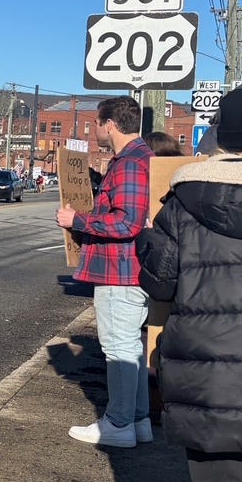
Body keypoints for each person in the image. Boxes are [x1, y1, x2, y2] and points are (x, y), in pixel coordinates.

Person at [135, 84, 242, 482]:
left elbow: (160, 284)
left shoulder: (184, 197)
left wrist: (150, 240)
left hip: (212, 376)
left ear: (220, 134)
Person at [56, 94, 154, 448]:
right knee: (131, 347)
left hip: (120, 270)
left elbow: (127, 222)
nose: (95, 129)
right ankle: (137, 420)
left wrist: (77, 220)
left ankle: (118, 424)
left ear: (110, 124)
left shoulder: (129, 164)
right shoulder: (141, 158)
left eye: (96, 123)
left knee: (119, 348)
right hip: (129, 269)